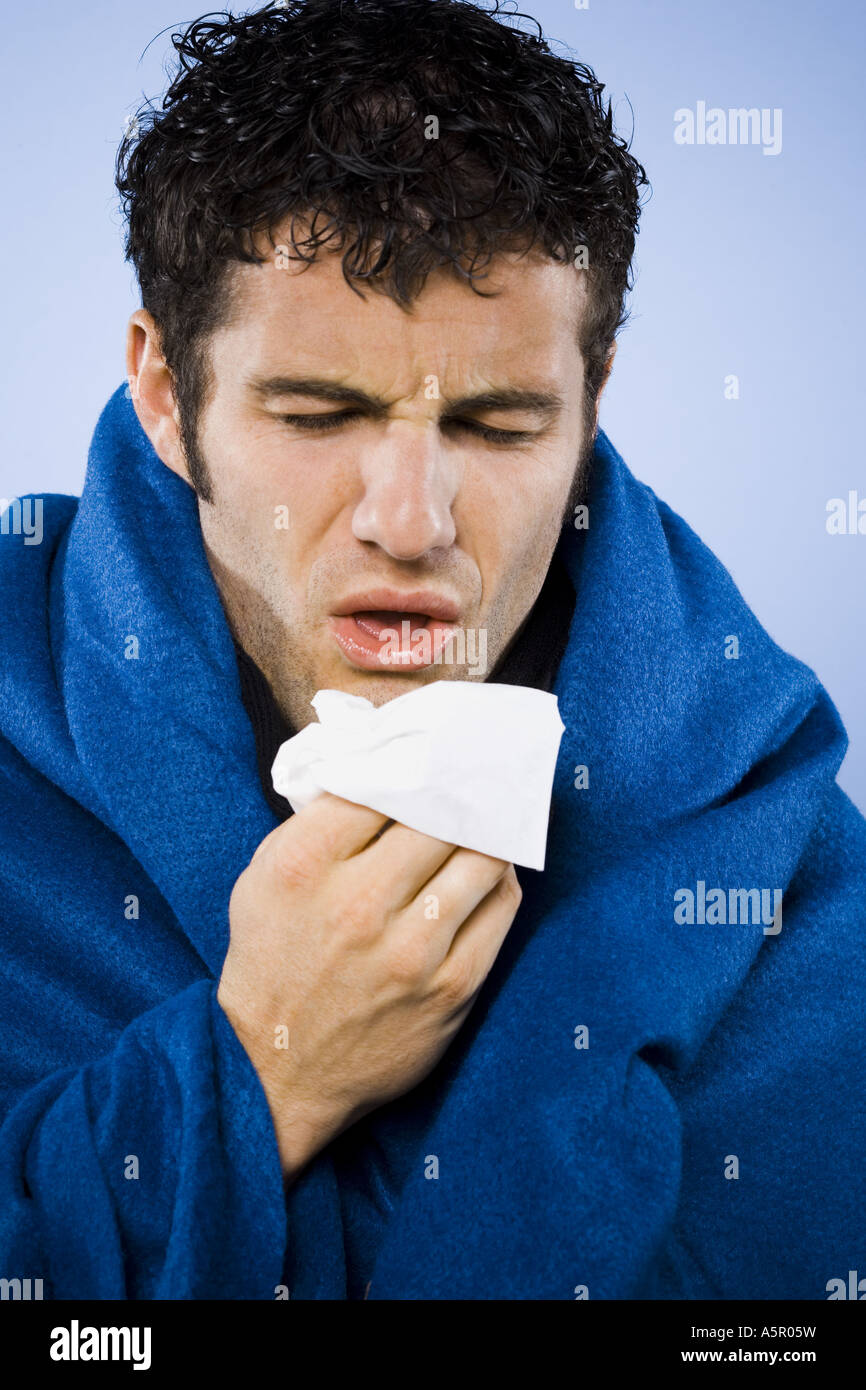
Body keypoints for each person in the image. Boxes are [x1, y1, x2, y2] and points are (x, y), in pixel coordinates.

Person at [1, 0, 863, 1301]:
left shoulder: (796, 878)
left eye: (501, 424)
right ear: (167, 396)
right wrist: (262, 1070)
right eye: (315, 410)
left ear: (591, 407)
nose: (409, 522)